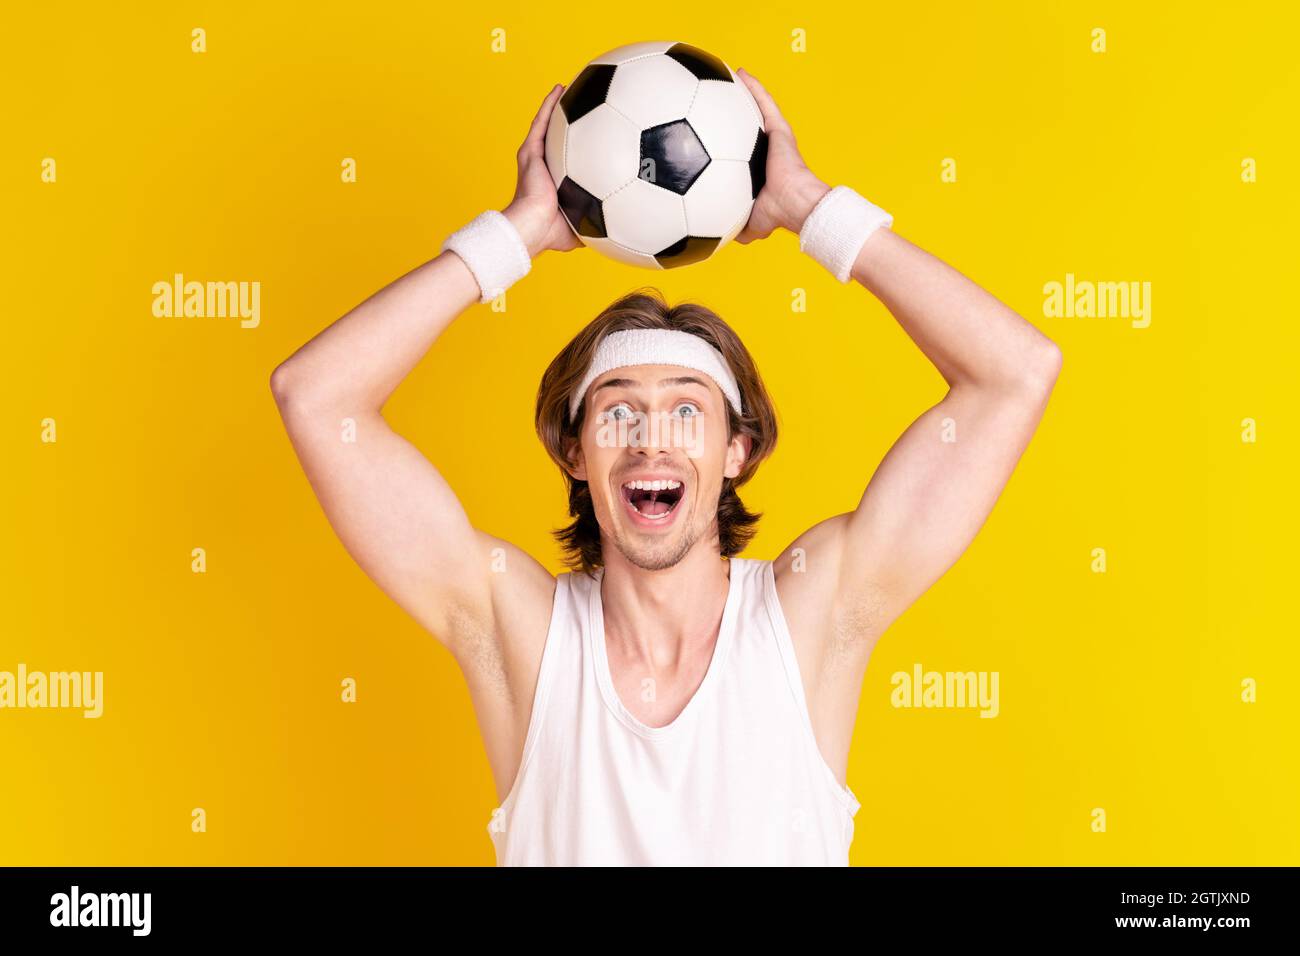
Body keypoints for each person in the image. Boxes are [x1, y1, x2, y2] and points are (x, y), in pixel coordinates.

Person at [270, 70, 1062, 866]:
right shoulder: (523, 636)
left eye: (688, 410)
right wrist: (515, 237)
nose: (652, 440)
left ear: (735, 450)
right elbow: (314, 396)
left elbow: (1016, 374)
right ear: (574, 452)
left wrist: (811, 211)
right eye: (617, 410)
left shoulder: (813, 615)